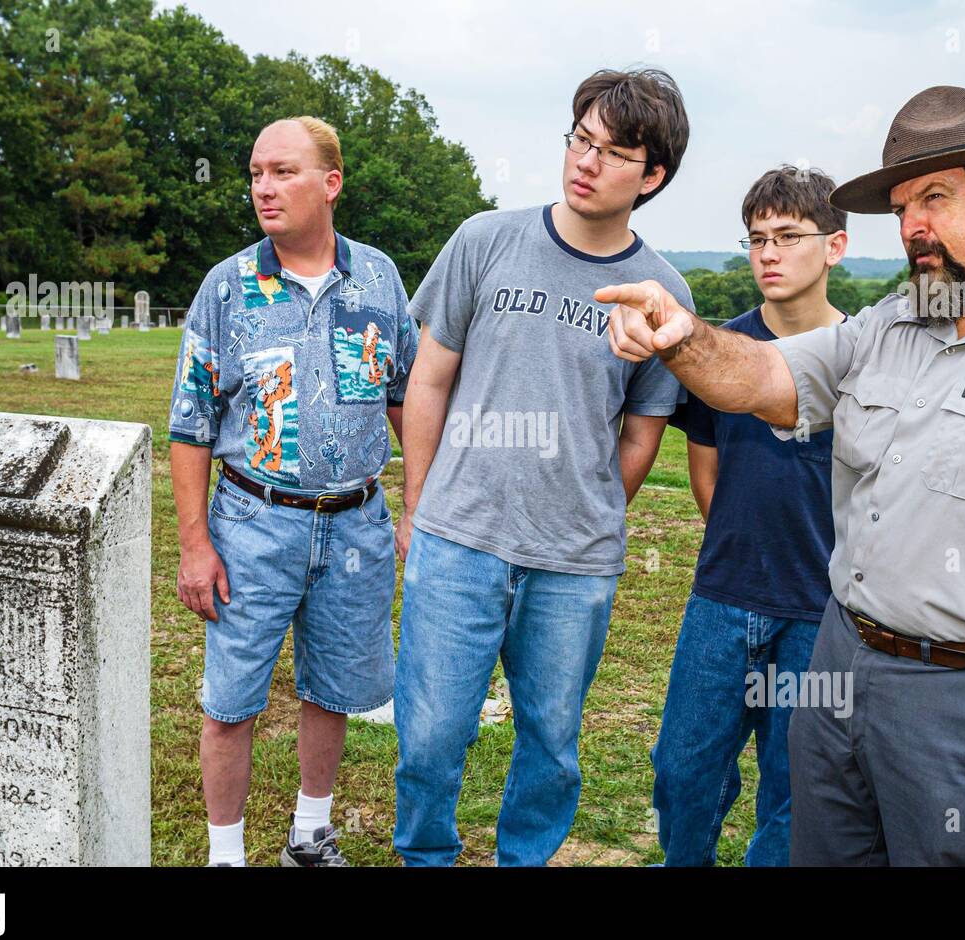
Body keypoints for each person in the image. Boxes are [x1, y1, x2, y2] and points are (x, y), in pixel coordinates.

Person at [598, 86, 965, 866]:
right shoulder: (885, 328)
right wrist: (683, 337)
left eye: (934, 197)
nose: (913, 228)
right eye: (899, 208)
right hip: (838, 661)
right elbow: (760, 376)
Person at [393, 68, 693, 866]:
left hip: (574, 562)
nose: (585, 162)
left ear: (652, 175)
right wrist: (419, 502)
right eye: (579, 141)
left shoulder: (662, 291)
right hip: (458, 537)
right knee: (428, 736)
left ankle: (523, 860)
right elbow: (429, 378)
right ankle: (425, 857)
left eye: (612, 152)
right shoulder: (485, 239)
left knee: (552, 744)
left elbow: (641, 434)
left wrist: (588, 508)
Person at [168, 116, 417, 867]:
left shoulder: (378, 277)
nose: (263, 189)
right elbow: (190, 424)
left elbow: (407, 395)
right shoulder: (229, 286)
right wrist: (194, 544)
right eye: (254, 174)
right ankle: (226, 856)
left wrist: (416, 507)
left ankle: (310, 834)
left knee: (334, 689)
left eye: (282, 172)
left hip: (356, 523)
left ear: (331, 182)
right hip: (253, 522)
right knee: (231, 698)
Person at [653, 165, 848, 866]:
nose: (767, 253)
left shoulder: (865, 359)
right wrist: (745, 548)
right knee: (682, 774)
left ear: (835, 246)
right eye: (756, 239)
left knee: (797, 791)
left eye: (788, 236)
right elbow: (705, 471)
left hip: (823, 611)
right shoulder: (717, 349)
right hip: (724, 598)